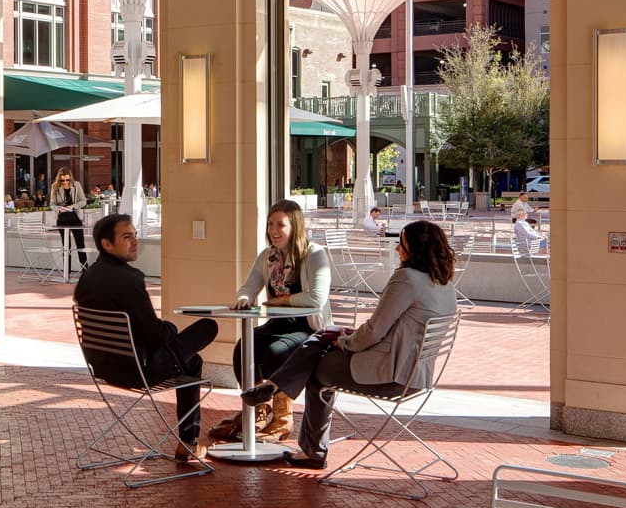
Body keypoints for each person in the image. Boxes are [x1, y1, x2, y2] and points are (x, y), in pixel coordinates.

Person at [242, 219, 459, 469]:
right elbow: (394, 331)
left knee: (316, 369)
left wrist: (345, 343)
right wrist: (345, 336)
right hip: (417, 376)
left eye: (402, 244)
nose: (398, 249)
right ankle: (276, 387)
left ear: (416, 249)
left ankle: (312, 448)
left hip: (389, 375)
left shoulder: (406, 278)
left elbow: (374, 333)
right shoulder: (445, 286)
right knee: (324, 335)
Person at [74, 214, 218, 460]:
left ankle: (189, 441)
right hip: (139, 371)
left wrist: (164, 331)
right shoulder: (130, 280)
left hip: (102, 367)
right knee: (208, 326)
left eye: (135, 236)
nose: (135, 242)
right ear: (107, 244)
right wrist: (170, 329)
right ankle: (187, 441)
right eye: (127, 237)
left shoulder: (87, 278)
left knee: (191, 362)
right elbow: (154, 336)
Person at [208, 199, 331, 444]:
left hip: (306, 327)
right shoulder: (267, 257)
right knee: (243, 349)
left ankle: (283, 419)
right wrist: (243, 298)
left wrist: (282, 300)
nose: (273, 231)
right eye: (270, 224)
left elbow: (316, 298)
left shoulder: (314, 254)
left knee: (276, 353)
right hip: (277, 325)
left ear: (295, 226)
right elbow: (248, 286)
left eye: (280, 225)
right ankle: (256, 411)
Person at [50, 166, 87, 273]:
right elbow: (52, 205)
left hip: (75, 217)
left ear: (70, 178)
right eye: (62, 180)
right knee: (66, 246)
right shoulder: (55, 187)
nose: (65, 182)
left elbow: (83, 201)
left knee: (80, 244)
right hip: (62, 218)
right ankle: (67, 271)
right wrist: (59, 209)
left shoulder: (76, 185)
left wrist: (72, 207)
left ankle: (85, 271)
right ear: (59, 179)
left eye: (67, 180)